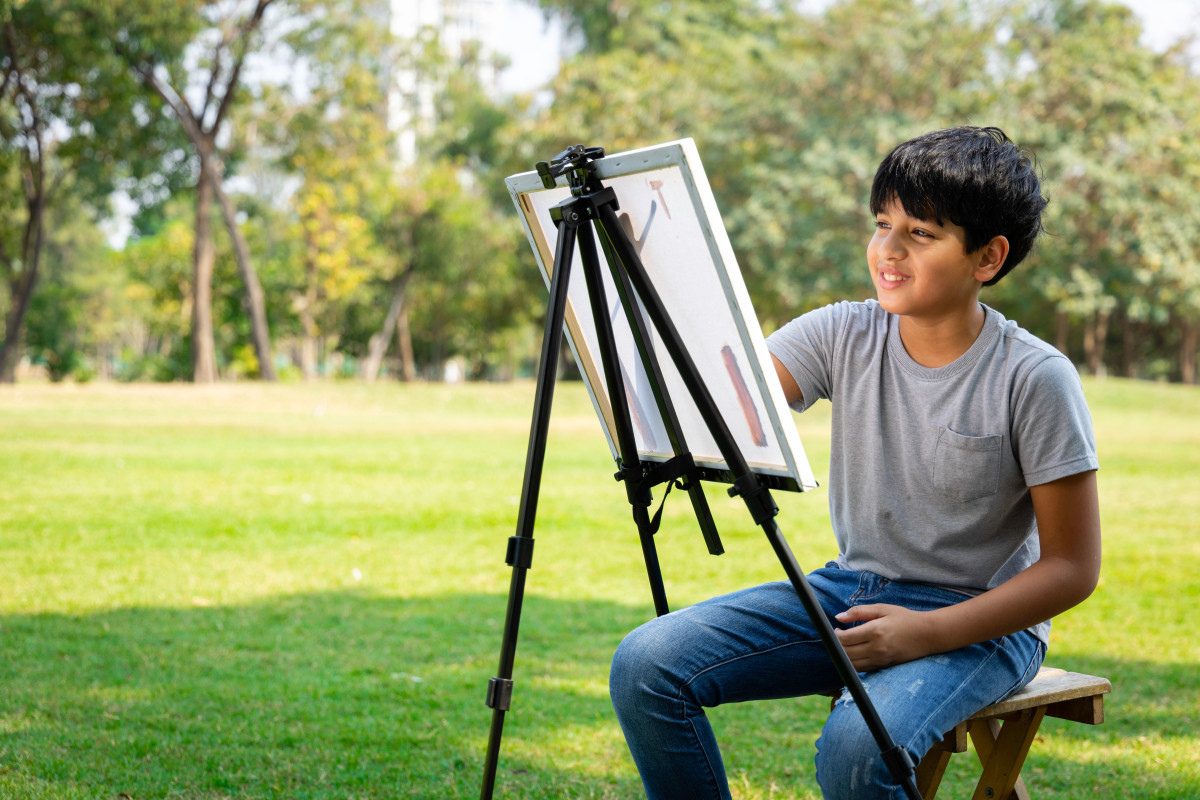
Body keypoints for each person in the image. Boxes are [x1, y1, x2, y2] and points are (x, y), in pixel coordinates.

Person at [608, 126, 1101, 800]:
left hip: (984, 621)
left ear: (987, 257)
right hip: (853, 592)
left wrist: (925, 633)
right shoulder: (842, 332)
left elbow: (1072, 569)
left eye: (920, 233)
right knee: (646, 664)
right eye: (881, 224)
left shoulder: (1035, 377)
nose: (888, 250)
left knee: (855, 749)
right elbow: (722, 403)